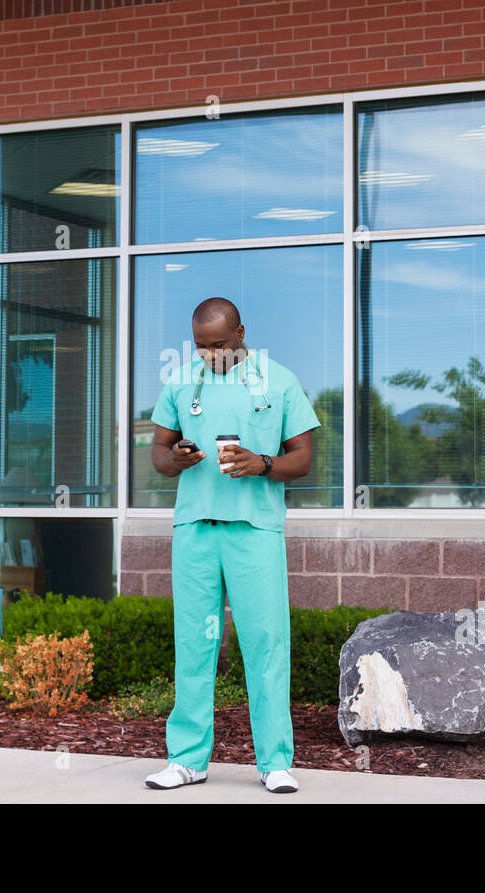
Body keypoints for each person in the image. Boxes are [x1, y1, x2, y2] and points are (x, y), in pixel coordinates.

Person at [144, 297, 321, 794]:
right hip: (196, 529)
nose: (210, 355)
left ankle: (274, 762)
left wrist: (262, 464)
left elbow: (303, 459)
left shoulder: (279, 380)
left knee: (264, 645)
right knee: (193, 646)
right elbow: (157, 452)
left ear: (241, 333)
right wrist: (175, 457)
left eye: (219, 345)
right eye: (201, 347)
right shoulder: (183, 381)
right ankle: (186, 760)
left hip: (254, 531)